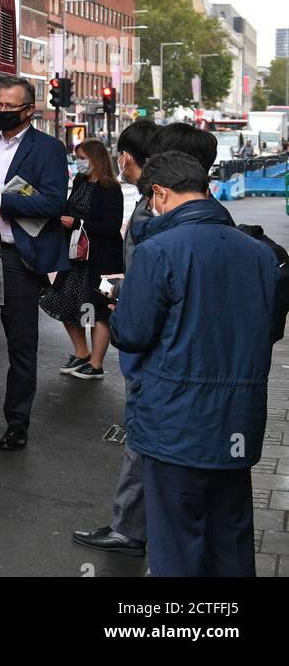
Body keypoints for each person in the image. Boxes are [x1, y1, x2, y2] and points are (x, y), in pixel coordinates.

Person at [111, 151, 275, 576]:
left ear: (160, 194)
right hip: (238, 417)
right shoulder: (258, 252)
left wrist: (120, 301)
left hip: (176, 418)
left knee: (177, 542)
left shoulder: (158, 251)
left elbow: (132, 333)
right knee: (231, 536)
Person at [73, 121, 223, 558]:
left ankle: (134, 530)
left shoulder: (158, 220)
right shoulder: (214, 219)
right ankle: (138, 526)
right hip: (188, 358)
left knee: (146, 441)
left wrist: (128, 306)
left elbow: (146, 305)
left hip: (161, 353)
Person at [0, 77, 69, 451]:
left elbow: (54, 203)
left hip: (18, 254)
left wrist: (0, 198)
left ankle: (17, 421)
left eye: (10, 107)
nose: (2, 112)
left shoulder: (48, 149)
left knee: (21, 342)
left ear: (29, 110)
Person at [40, 139, 123, 380]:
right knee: (61, 301)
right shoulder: (79, 181)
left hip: (101, 259)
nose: (78, 163)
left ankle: (96, 364)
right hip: (75, 256)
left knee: (98, 309)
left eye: (82, 157)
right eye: (77, 157)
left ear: (96, 160)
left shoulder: (110, 189)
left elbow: (111, 226)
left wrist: (78, 223)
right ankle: (82, 352)